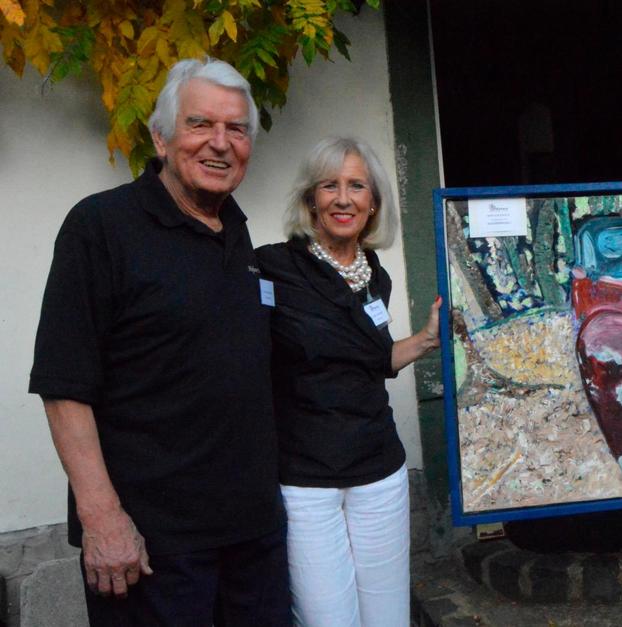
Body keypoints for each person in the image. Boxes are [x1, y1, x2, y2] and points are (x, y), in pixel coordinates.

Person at [29, 58, 289, 624]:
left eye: (237, 129)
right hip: (152, 548)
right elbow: (63, 386)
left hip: (254, 538)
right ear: (161, 137)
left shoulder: (237, 232)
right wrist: (102, 519)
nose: (220, 143)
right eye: (200, 124)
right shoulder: (101, 227)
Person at [256, 137, 440, 625]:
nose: (344, 198)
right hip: (306, 479)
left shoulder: (374, 274)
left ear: (373, 201)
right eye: (330, 186)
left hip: (378, 468)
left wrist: (423, 339)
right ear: (310, 200)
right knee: (327, 618)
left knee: (388, 615)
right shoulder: (271, 267)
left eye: (356, 186)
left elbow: (372, 359)